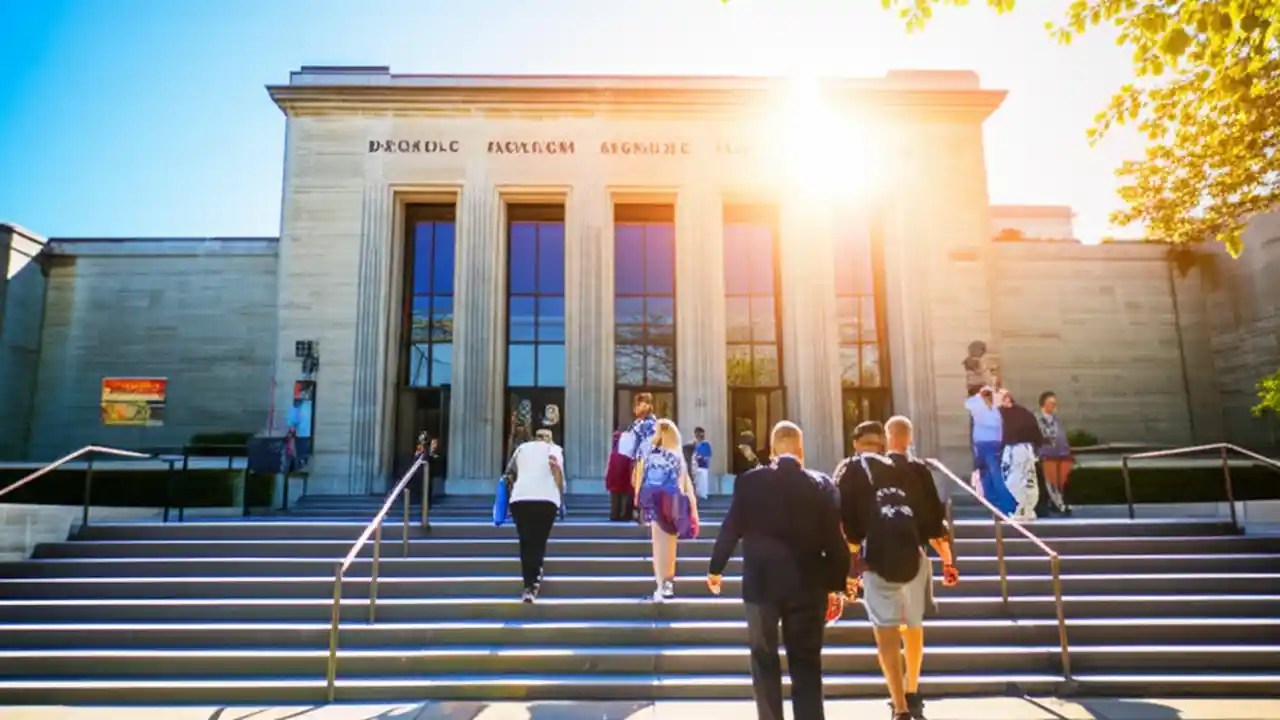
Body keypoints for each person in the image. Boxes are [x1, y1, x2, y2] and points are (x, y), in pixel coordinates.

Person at [708, 421, 849, 720]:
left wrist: (715, 568)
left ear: (771, 449)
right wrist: (837, 586)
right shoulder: (822, 484)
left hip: (761, 586)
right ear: (801, 449)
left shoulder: (748, 482)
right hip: (809, 586)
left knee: (764, 659)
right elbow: (835, 540)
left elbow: (731, 528)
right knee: (807, 662)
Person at [836, 419, 958, 720]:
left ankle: (899, 704)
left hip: (875, 558)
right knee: (913, 627)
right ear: (883, 442)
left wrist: (847, 571)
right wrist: (947, 560)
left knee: (886, 632)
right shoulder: (911, 470)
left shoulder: (849, 470)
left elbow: (842, 522)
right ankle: (913, 689)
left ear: (855, 443)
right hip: (914, 556)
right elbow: (933, 522)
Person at [634, 419, 700, 602]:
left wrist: (638, 501)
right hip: (674, 502)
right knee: (670, 545)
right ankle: (667, 583)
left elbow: (638, 477)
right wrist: (693, 511)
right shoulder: (677, 455)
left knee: (658, 545)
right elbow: (686, 485)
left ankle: (660, 585)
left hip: (655, 501)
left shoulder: (648, 451)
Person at [504, 428, 565, 603]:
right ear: (549, 439)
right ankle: (533, 584)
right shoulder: (554, 449)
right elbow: (557, 472)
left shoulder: (522, 449)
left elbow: (509, 473)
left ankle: (528, 583)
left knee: (525, 541)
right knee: (539, 541)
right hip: (546, 500)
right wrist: (561, 498)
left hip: (521, 499)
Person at [964, 386, 1015, 514]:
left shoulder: (998, 408)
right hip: (980, 445)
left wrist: (993, 400)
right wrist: (980, 395)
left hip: (993, 444)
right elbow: (967, 404)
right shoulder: (978, 405)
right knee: (984, 475)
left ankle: (1006, 506)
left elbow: (995, 423)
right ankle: (992, 505)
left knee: (996, 474)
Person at [998, 391, 1045, 522]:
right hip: (1022, 450)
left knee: (1018, 481)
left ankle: (1022, 509)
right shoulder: (1023, 413)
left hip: (1017, 451)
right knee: (1024, 481)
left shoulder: (1004, 414)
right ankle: (1025, 509)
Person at [1035, 391, 1074, 515]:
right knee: (1049, 482)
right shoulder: (1036, 419)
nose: (1054, 405)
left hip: (1060, 455)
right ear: (1043, 404)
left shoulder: (1057, 420)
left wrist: (1066, 452)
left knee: (1059, 481)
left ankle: (1057, 504)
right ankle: (1058, 505)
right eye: (1051, 402)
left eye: (1055, 403)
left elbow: (1062, 437)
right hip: (1044, 455)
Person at [605, 429, 636, 522]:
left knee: (616, 497)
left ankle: (615, 514)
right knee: (625, 496)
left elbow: (610, 466)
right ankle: (625, 515)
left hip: (616, 477)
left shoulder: (614, 452)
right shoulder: (627, 451)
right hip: (625, 476)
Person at [693, 426, 713, 499]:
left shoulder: (706, 444)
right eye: (697, 434)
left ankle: (704, 497)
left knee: (703, 482)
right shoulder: (694, 444)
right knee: (696, 483)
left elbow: (708, 455)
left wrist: (702, 458)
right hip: (694, 466)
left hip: (703, 466)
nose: (699, 436)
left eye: (700, 434)